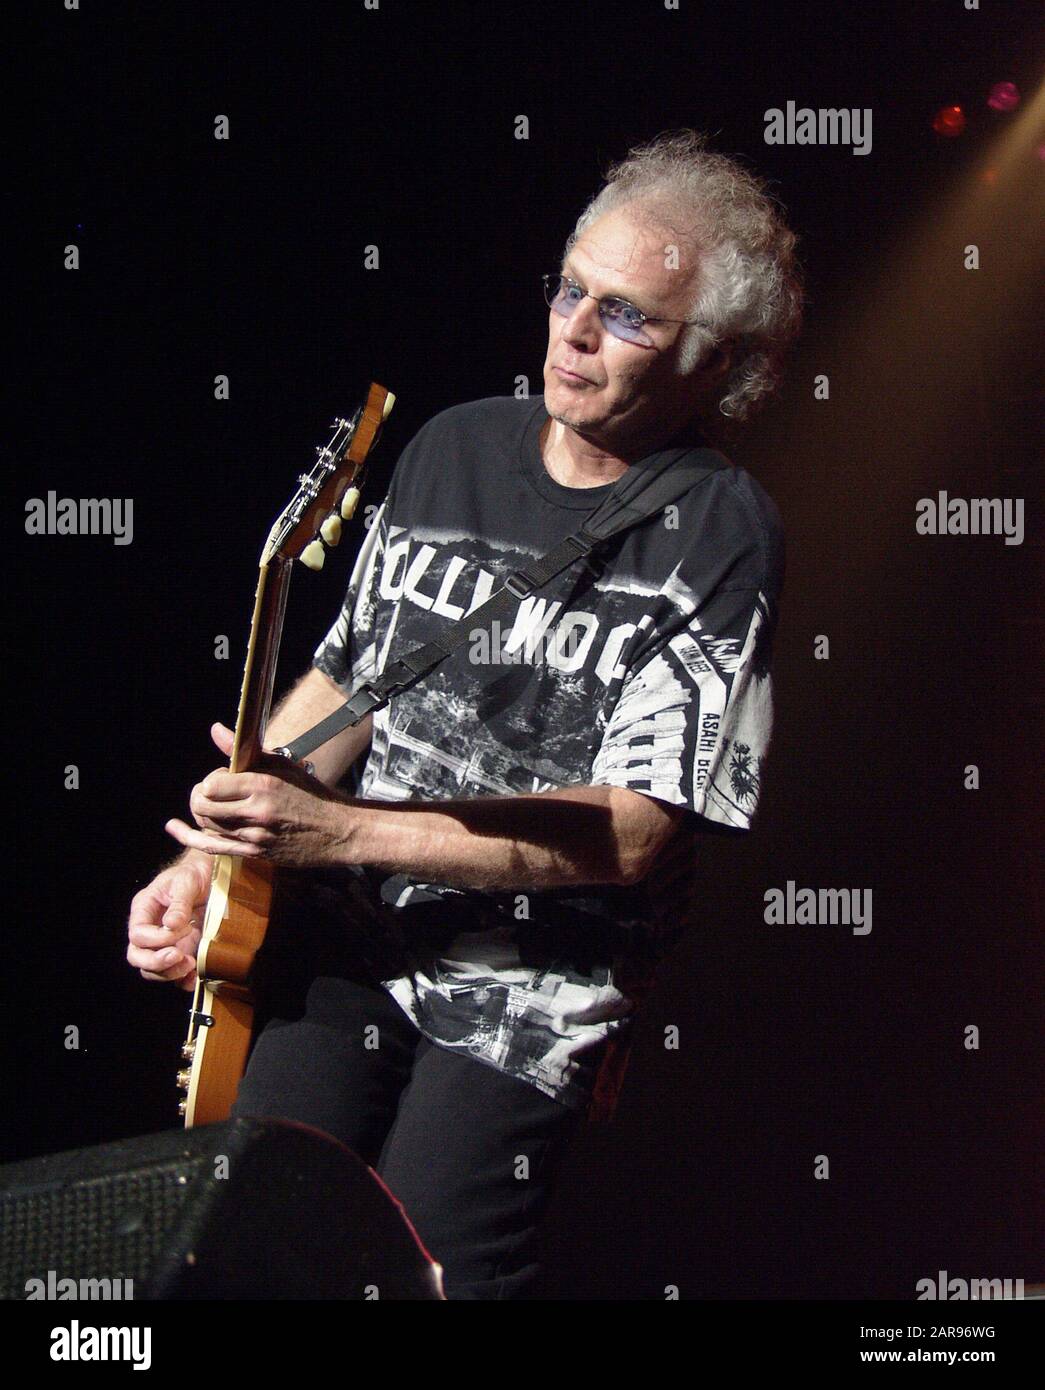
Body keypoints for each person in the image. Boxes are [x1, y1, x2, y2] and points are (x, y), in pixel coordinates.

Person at [126, 129, 804, 1300]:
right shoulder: (451, 445)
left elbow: (633, 836)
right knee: (260, 1248)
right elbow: (347, 688)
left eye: (628, 315)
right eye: (568, 288)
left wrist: (334, 834)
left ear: (713, 363)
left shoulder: (721, 532)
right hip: (350, 938)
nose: (575, 332)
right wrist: (217, 859)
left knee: (429, 1269)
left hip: (527, 989)